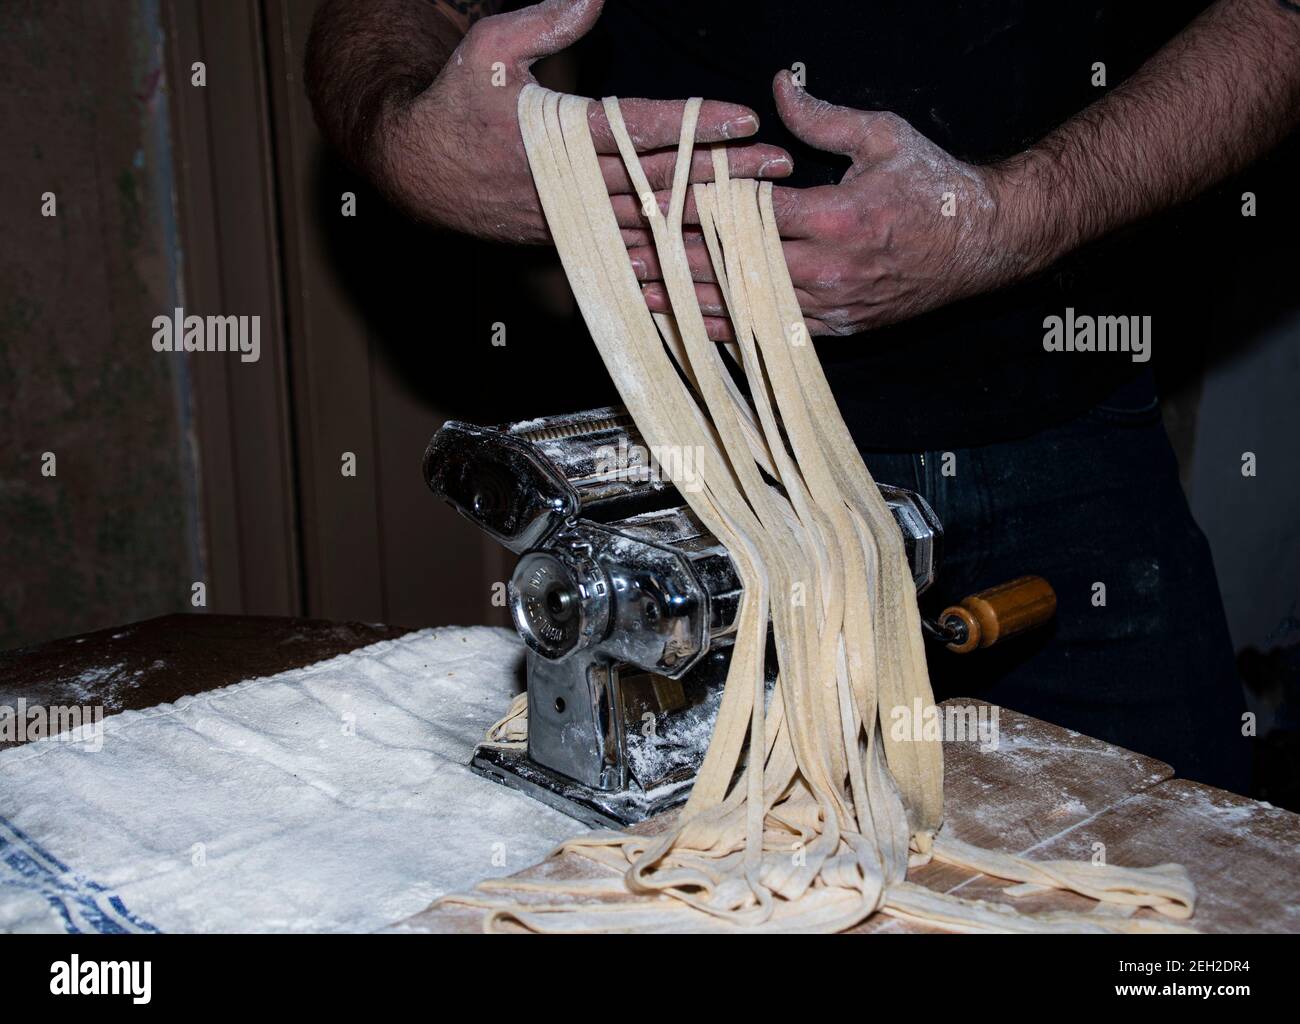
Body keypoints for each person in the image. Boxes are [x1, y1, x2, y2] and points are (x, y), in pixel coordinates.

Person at [305, 0, 1300, 793]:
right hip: (703, 464)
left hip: (1070, 449)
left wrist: (1019, 212)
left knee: (1192, 892)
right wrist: (409, 141)